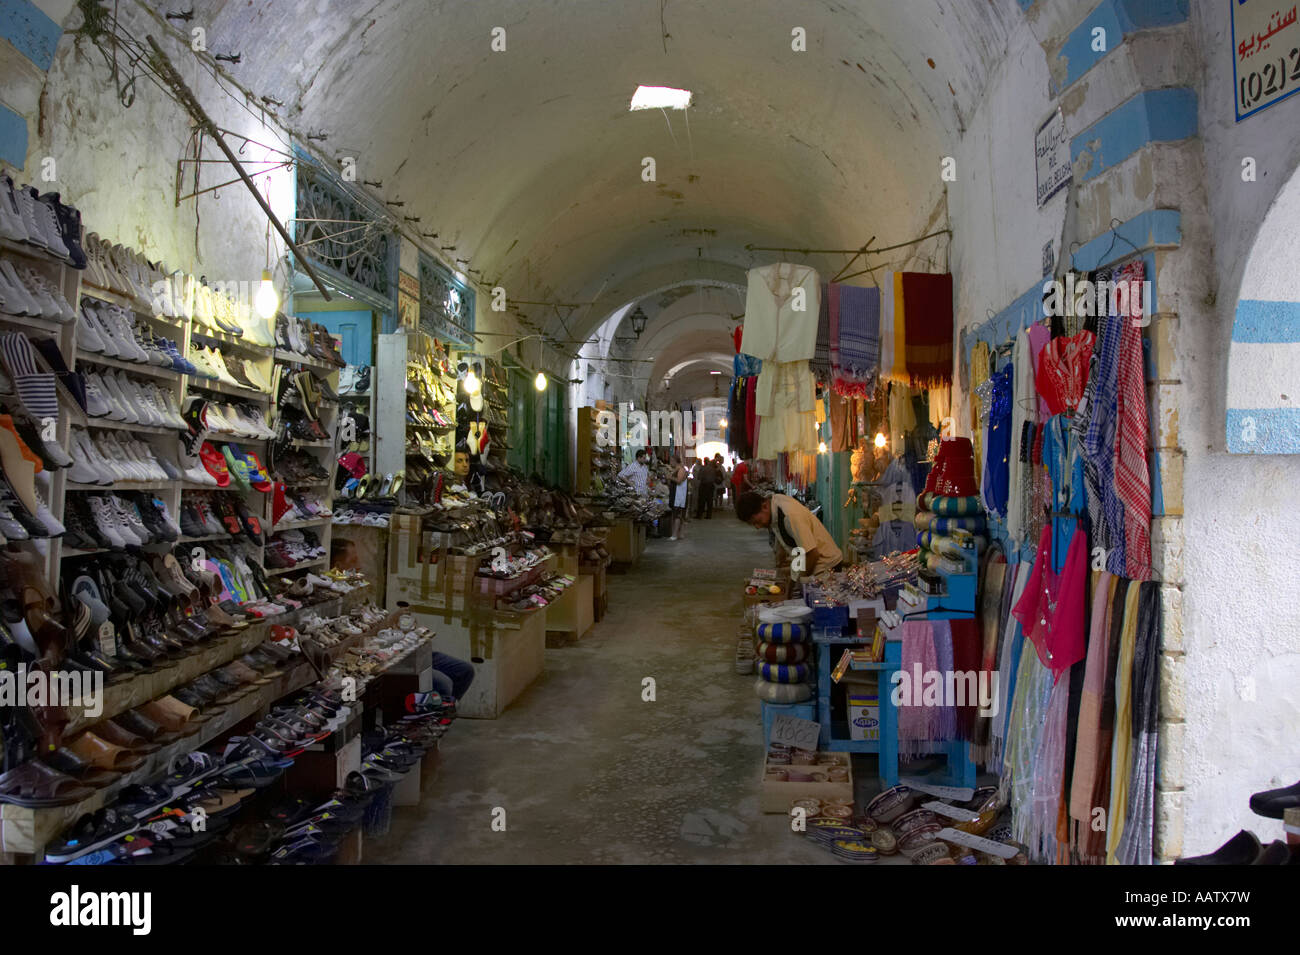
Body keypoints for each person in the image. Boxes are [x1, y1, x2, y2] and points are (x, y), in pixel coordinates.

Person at [736, 490, 843, 575]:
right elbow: (781, 533)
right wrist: (781, 555)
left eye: (757, 522)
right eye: (753, 524)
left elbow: (812, 554)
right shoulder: (773, 504)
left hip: (826, 567)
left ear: (764, 506)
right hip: (808, 562)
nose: (758, 527)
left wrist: (800, 580)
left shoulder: (790, 516)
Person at [668, 454, 688, 539]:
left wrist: (670, 477)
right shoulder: (677, 469)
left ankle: (675, 534)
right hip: (676, 494)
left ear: (674, 461)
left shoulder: (681, 470)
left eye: (671, 461)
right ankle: (680, 534)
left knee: (677, 514)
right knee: (677, 514)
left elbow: (679, 481)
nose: (670, 463)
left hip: (679, 495)